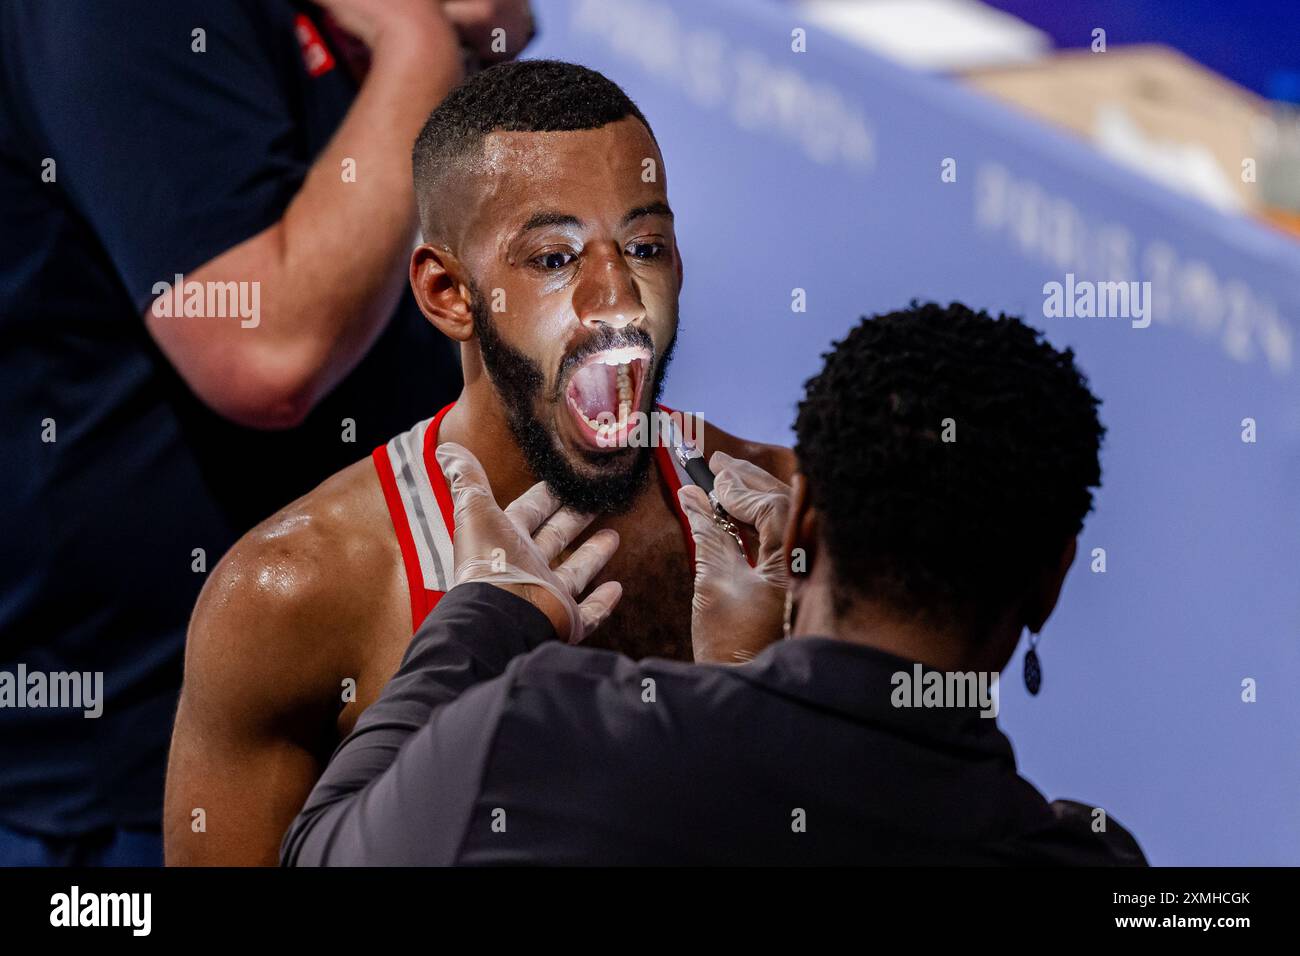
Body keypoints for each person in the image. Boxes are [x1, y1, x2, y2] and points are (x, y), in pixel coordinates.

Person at [163, 60, 794, 865]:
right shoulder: (296, 592)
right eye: (554, 259)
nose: (618, 299)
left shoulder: (783, 520)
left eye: (643, 245)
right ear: (449, 294)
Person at [281, 302, 1148, 866]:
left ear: (800, 520)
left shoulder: (544, 732)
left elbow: (317, 853)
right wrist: (738, 689)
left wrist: (480, 619)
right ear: (1052, 581)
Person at [0, 0, 532, 865]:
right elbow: (266, 347)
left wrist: (476, 40)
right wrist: (422, 44)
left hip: (378, 709)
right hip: (141, 774)